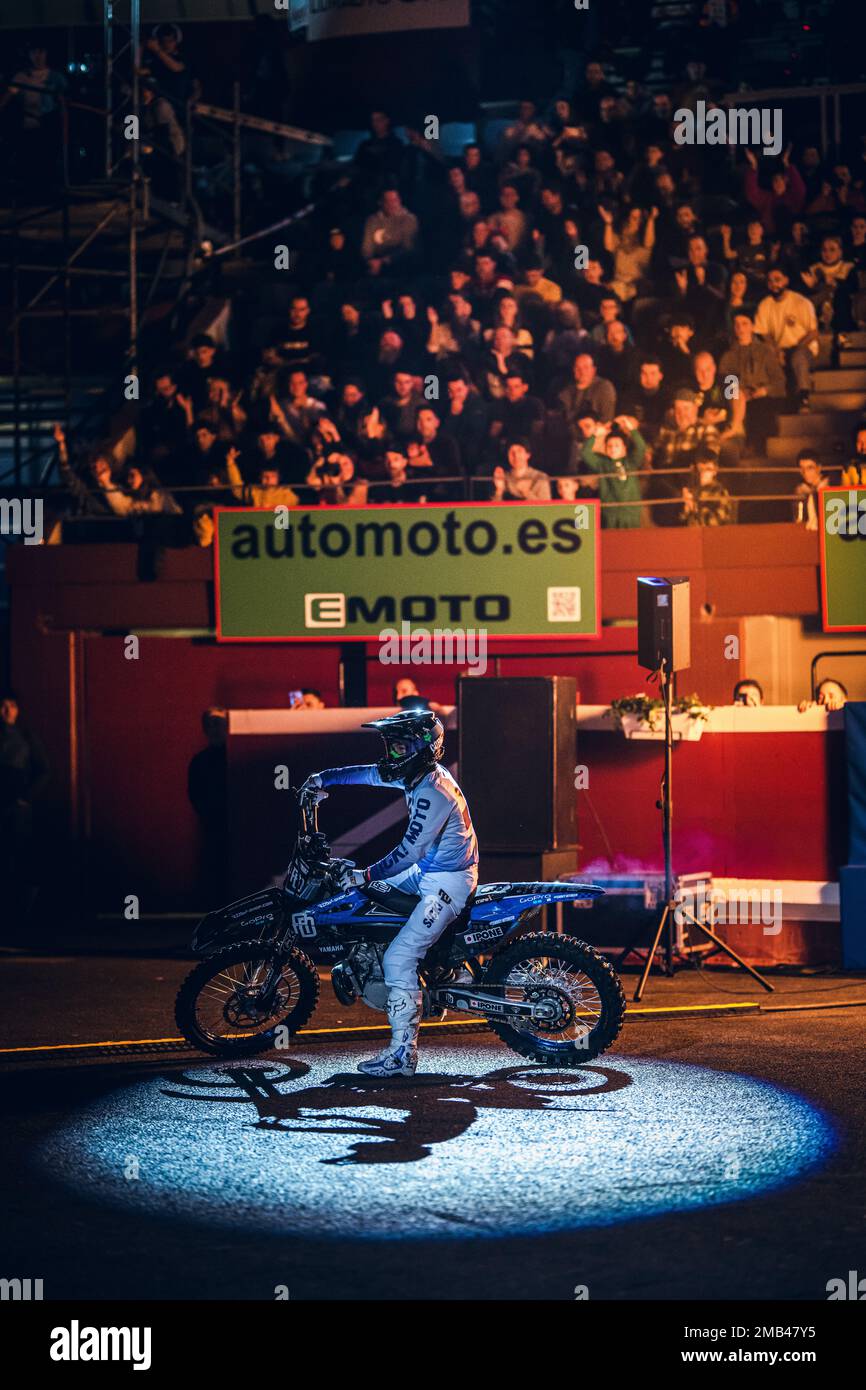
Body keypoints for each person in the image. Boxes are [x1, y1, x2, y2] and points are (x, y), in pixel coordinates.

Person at [301, 710, 479, 1077]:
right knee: (364, 900)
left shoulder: (434, 790)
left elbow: (407, 852)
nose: (391, 755)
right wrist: (321, 780)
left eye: (399, 747)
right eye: (390, 746)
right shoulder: (414, 775)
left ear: (422, 749)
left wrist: (364, 873)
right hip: (428, 872)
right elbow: (366, 774)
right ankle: (441, 967)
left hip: (447, 881)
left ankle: (402, 1056)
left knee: (398, 959)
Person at [0, 690, 49, 924]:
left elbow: (44, 770)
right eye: (3, 706)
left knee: (18, 857)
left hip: (17, 807)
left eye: (12, 706)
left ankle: (19, 917)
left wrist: (26, 798)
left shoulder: (26, 736)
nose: (7, 711)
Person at [753, 268, 818, 412]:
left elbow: (813, 332)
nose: (773, 284)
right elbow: (764, 333)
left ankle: (803, 397)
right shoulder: (765, 305)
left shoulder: (801, 302)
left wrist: (795, 349)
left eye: (777, 279)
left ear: (786, 280)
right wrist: (776, 351)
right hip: (780, 349)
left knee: (798, 356)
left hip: (803, 348)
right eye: (770, 281)